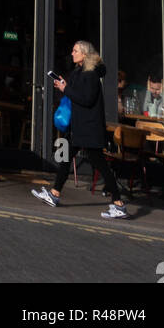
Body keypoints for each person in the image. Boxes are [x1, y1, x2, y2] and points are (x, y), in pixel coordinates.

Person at [32, 40, 127, 219]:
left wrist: (66, 89)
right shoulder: (79, 72)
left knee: (101, 166)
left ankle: (119, 204)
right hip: (79, 126)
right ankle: (54, 193)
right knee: (66, 158)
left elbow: (87, 99)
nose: (72, 53)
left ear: (84, 54)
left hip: (88, 128)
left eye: (75, 51)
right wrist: (64, 85)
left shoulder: (90, 74)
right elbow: (76, 94)